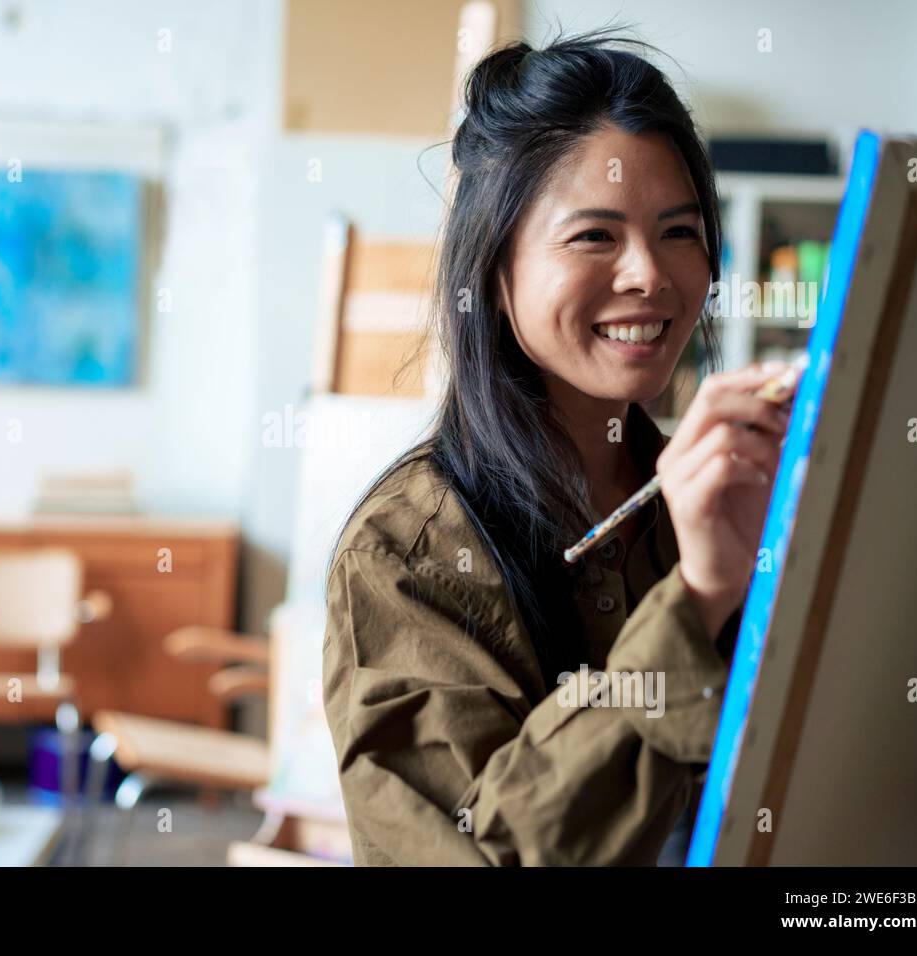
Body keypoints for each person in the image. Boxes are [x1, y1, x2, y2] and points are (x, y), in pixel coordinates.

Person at [321, 31, 793, 866]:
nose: (649, 274)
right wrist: (693, 604)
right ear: (495, 274)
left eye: (679, 231)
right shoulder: (404, 556)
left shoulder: (731, 499)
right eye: (593, 237)